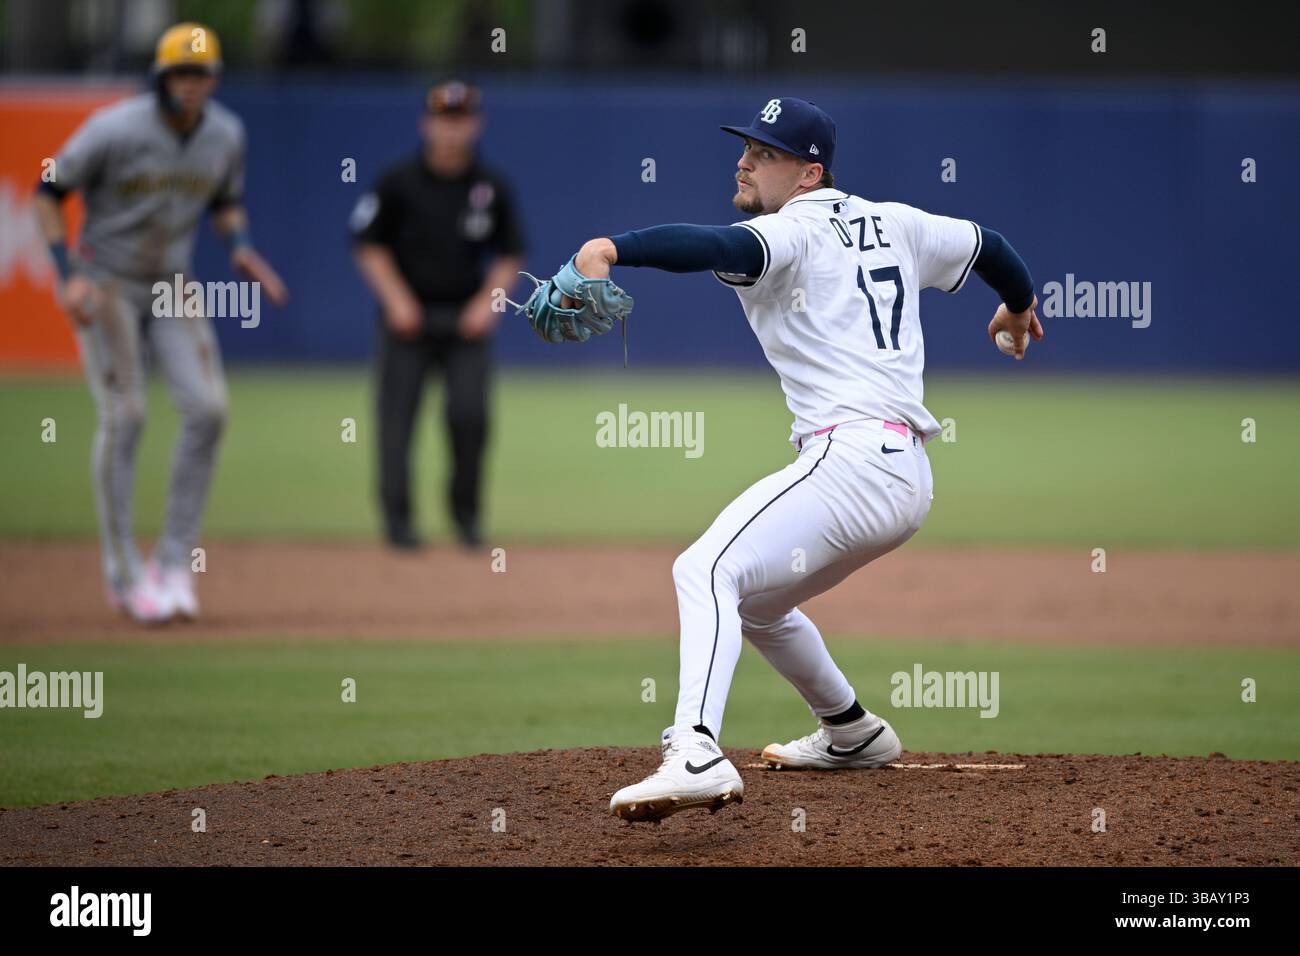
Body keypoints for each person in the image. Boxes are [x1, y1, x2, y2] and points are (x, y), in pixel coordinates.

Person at [524, 96, 1042, 822]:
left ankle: (696, 750)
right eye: (747, 147)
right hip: (904, 476)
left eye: (764, 153)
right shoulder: (899, 221)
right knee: (760, 605)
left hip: (853, 459)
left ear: (809, 173)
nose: (744, 160)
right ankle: (852, 731)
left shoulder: (790, 232)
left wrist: (613, 248)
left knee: (704, 569)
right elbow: (991, 247)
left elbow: (719, 247)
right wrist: (1018, 307)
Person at [34, 22, 288, 624]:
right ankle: (123, 574)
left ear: (214, 79)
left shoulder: (226, 134)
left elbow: (224, 199)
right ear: (160, 76)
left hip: (172, 282)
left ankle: (173, 564)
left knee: (208, 409)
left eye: (200, 73)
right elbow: (49, 191)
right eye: (181, 72)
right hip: (107, 281)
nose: (191, 84)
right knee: (127, 415)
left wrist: (242, 247)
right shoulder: (115, 129)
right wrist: (64, 271)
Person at [350, 80, 525, 550]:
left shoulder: (490, 186)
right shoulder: (397, 182)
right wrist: (396, 299)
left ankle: (465, 517)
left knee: (469, 417)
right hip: (406, 320)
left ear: (476, 123)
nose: (452, 129)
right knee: (397, 421)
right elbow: (369, 244)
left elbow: (511, 253)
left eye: (461, 119)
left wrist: (487, 304)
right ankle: (399, 525)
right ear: (426, 123)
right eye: (444, 119)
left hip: (465, 321)